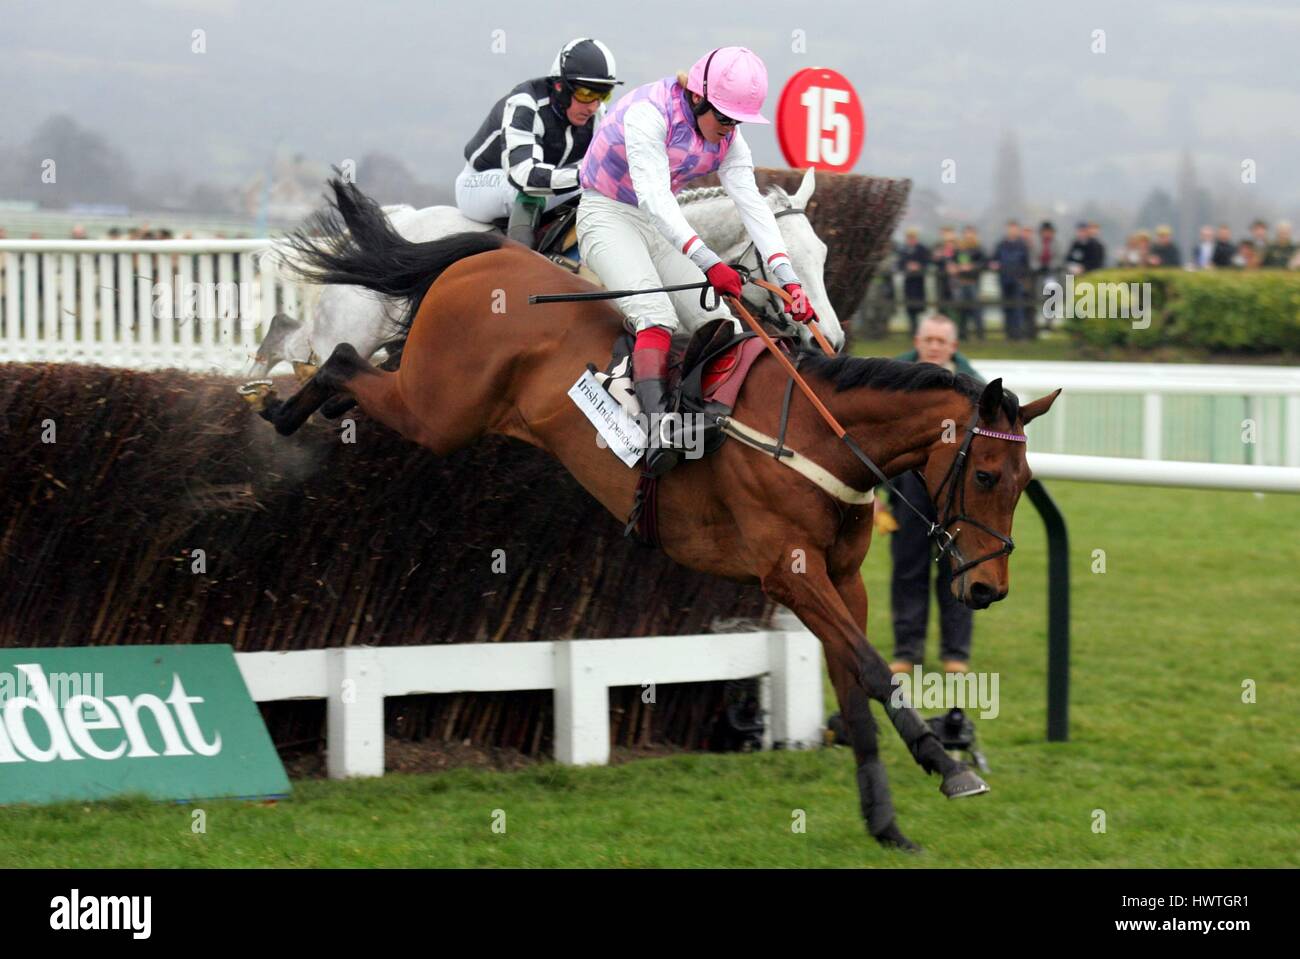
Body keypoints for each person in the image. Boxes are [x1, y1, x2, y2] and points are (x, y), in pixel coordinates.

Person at [576, 46, 819, 477]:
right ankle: (656, 430)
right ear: (697, 98)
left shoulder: (729, 137)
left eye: (738, 121)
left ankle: (706, 420)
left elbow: (753, 206)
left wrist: (789, 278)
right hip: (606, 213)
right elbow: (653, 196)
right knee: (656, 316)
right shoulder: (648, 113)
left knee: (720, 322)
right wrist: (709, 262)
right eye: (725, 118)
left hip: (658, 225)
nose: (730, 129)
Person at [875, 314, 982, 676]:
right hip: (907, 491)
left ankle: (956, 654)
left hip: (956, 497)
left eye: (942, 341)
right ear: (918, 341)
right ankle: (906, 652)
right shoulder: (893, 382)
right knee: (908, 570)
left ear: (953, 347)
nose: (934, 346)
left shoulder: (974, 387)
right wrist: (873, 498)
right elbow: (875, 442)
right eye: (929, 339)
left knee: (959, 568)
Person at [458, 38, 621, 246]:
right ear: (561, 86)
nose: (593, 106)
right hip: (481, 184)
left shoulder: (597, 114)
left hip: (543, 183)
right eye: (586, 93)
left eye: (603, 95)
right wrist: (587, 174)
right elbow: (525, 177)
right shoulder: (525, 103)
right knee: (530, 190)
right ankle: (520, 263)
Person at [989, 220, 1030, 340]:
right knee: (1006, 308)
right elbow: (993, 259)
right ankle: (1008, 333)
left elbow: (1026, 264)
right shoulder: (1001, 245)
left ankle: (1018, 334)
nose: (1012, 231)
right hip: (1004, 279)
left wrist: (1023, 277)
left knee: (1018, 308)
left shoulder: (1022, 246)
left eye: (1014, 228)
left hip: (1017, 281)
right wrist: (994, 265)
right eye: (1010, 228)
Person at [951, 225, 985, 340]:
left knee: (976, 310)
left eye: (971, 233)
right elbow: (952, 261)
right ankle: (962, 335)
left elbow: (984, 263)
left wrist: (972, 267)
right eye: (966, 233)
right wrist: (954, 267)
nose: (968, 235)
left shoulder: (978, 248)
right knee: (962, 310)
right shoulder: (959, 249)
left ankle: (980, 335)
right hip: (961, 282)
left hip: (973, 282)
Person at [898, 227, 930, 334]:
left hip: (919, 282)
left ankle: (920, 329)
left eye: (913, 237)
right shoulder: (903, 250)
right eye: (909, 237)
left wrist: (919, 266)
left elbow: (927, 263)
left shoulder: (922, 249)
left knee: (919, 306)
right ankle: (912, 329)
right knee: (909, 306)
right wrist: (907, 267)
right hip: (908, 282)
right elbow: (900, 264)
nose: (911, 240)